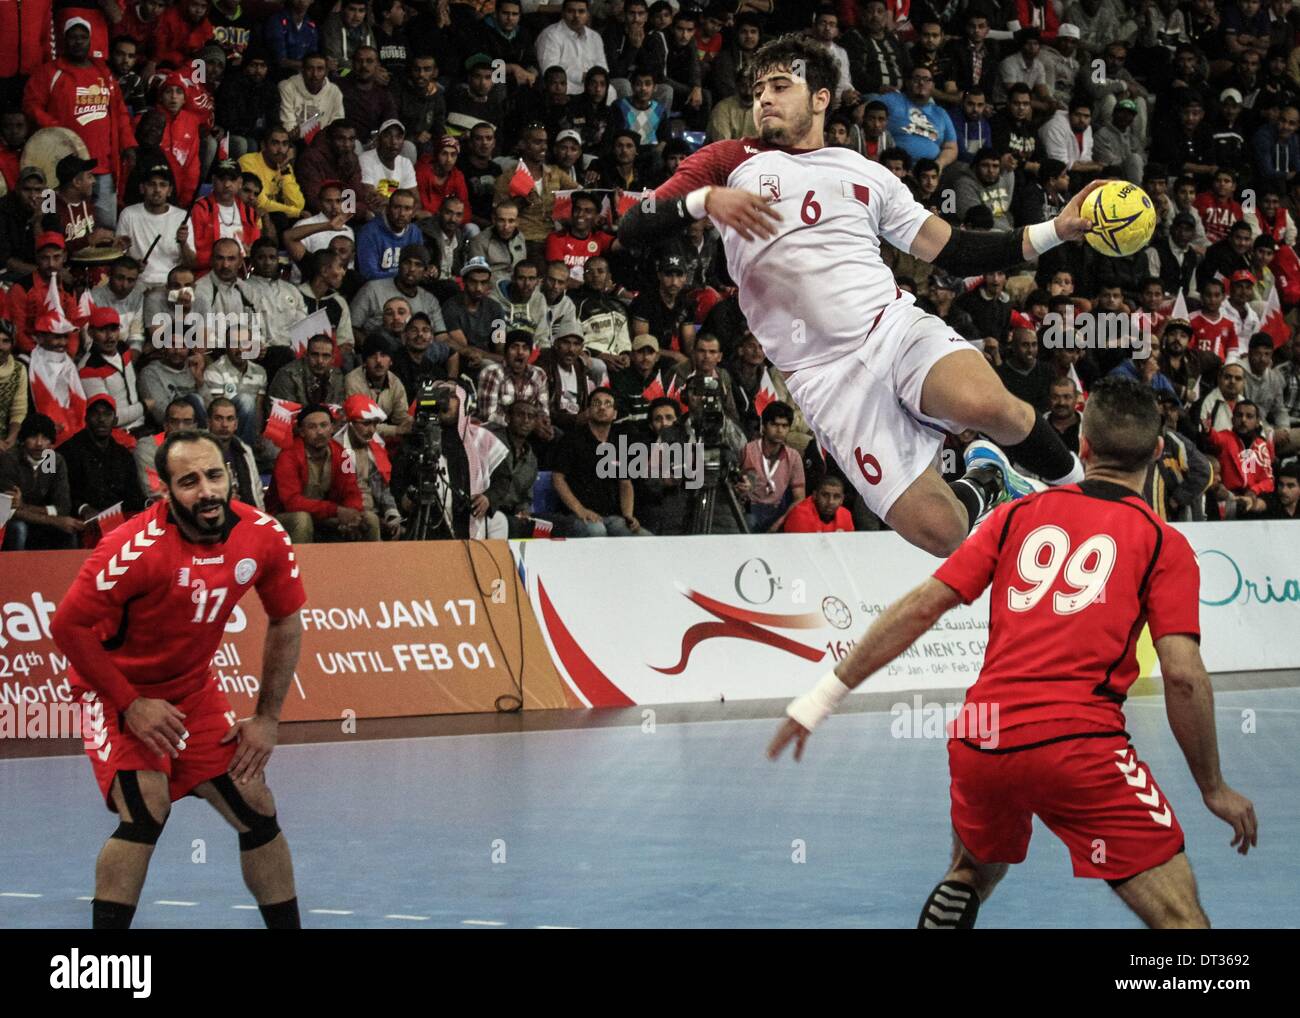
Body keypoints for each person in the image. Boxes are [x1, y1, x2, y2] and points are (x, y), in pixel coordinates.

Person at [770, 378, 1258, 929]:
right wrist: (1213, 788)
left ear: (1086, 448)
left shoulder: (1016, 516)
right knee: (1183, 924)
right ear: (1158, 453)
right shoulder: (1164, 543)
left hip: (982, 737)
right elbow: (1183, 677)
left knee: (978, 869)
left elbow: (920, 608)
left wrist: (822, 695)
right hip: (1078, 746)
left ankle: (963, 883)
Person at [620, 35, 1099, 558]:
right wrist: (702, 200)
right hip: (822, 378)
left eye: (781, 86)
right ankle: (988, 481)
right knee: (943, 534)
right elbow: (632, 226)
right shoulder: (727, 160)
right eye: (758, 89)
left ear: (821, 97)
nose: (764, 99)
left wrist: (1057, 229)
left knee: (989, 406)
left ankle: (1087, 496)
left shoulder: (869, 173)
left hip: (890, 330)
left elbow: (955, 251)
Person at [49, 426, 306, 930]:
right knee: (147, 810)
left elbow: (286, 619)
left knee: (256, 806)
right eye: (188, 481)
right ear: (164, 490)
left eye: (214, 475)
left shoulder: (264, 535)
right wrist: (129, 702)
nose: (206, 490)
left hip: (193, 690)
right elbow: (68, 626)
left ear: (230, 476)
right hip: (114, 692)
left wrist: (268, 718)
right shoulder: (131, 549)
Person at [270, 403, 376, 542]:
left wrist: (352, 515)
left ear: (332, 428)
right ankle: (300, 564)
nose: (319, 432)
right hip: (287, 517)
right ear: (301, 432)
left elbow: (352, 491)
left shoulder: (342, 454)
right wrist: (336, 511)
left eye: (324, 425)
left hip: (327, 516)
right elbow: (292, 502)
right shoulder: (287, 456)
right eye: (312, 427)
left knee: (370, 519)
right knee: (302, 519)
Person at [551, 387, 648, 536]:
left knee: (644, 538)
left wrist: (628, 514)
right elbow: (557, 479)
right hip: (576, 516)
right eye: (597, 403)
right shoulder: (571, 439)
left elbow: (625, 483)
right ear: (588, 411)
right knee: (596, 530)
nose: (602, 407)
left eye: (608, 404)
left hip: (612, 517)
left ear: (615, 414)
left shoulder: (619, 441)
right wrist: (580, 509)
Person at [0, 413, 82, 549]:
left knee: (68, 532)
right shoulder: (10, 460)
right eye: (33, 437)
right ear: (23, 439)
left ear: (51, 441)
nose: (39, 443)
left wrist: (24, 507)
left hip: (39, 522)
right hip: (13, 522)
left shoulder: (53, 460)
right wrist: (54, 520)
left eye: (44, 438)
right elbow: (8, 510)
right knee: (19, 528)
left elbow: (62, 507)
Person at [62, 394, 147, 523]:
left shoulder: (123, 454)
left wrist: (147, 502)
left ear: (115, 420)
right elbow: (60, 493)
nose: (101, 419)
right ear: (86, 418)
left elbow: (133, 493)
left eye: (107, 414)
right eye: (95, 414)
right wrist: (82, 508)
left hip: (119, 520)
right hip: (82, 522)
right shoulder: (68, 450)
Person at [739, 401, 805, 532]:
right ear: (763, 427)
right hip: (749, 508)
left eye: (784, 426)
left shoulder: (794, 457)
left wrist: (780, 522)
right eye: (774, 424)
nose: (780, 430)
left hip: (777, 511)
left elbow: (799, 498)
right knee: (749, 523)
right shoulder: (748, 450)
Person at [782, 473, 854, 532]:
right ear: (815, 495)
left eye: (836, 496)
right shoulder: (800, 515)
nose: (830, 501)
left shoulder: (846, 515)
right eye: (825, 495)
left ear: (842, 499)